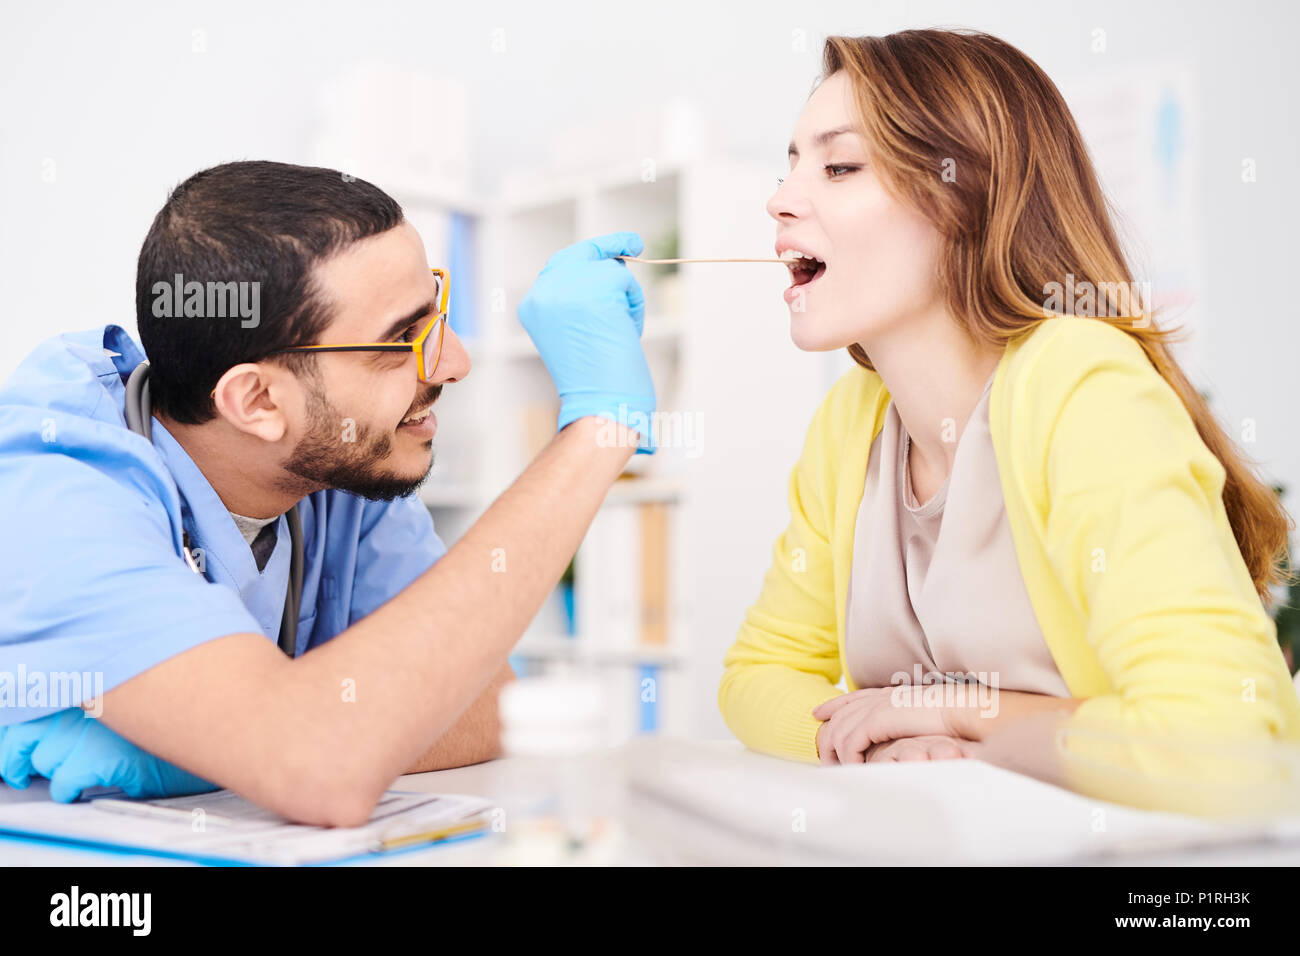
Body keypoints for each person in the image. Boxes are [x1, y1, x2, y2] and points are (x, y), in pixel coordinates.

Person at [718, 29, 1300, 780]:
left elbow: (1222, 737)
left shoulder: (1080, 386)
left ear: (963, 196)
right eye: (790, 167)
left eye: (840, 166)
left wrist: (956, 714)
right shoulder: (850, 423)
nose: (780, 199)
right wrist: (891, 744)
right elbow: (756, 676)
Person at [0, 161, 655, 826]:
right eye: (403, 339)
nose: (452, 362)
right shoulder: (56, 495)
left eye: (437, 316)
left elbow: (481, 702)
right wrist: (597, 433)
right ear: (257, 400)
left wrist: (220, 749)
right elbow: (321, 768)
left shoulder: (337, 464)